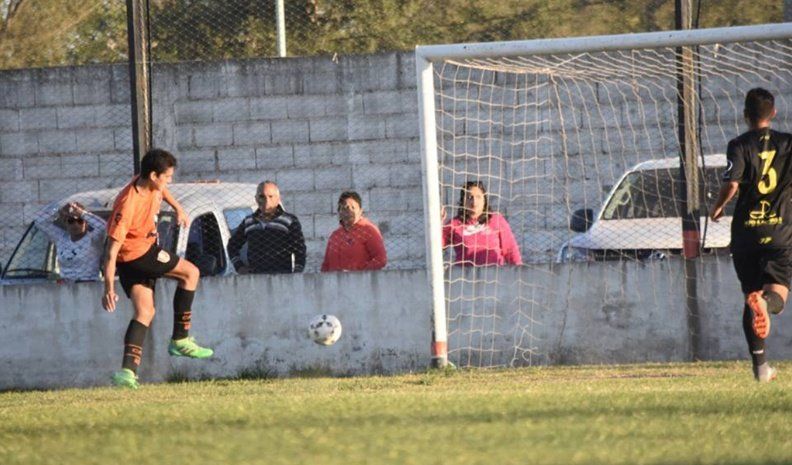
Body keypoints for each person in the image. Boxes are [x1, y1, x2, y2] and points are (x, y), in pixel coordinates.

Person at [102, 148, 213, 389]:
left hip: (132, 259)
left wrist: (178, 208)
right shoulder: (128, 205)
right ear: (154, 175)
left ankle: (127, 373)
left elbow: (163, 190)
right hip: (138, 255)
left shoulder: (147, 182)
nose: (169, 181)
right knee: (191, 273)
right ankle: (180, 339)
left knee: (145, 312)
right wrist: (108, 288)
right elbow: (110, 253)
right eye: (167, 176)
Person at [710, 87, 792, 382]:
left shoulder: (738, 145)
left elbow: (731, 185)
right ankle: (766, 306)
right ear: (774, 113)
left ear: (746, 115)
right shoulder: (787, 143)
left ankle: (761, 369)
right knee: (776, 295)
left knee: (750, 296)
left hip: (746, 234)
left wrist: (716, 208)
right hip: (780, 231)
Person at [227, 181, 306, 274]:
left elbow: (300, 249)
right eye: (262, 197)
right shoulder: (249, 222)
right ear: (256, 199)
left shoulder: (289, 221)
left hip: (281, 278)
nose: (266, 201)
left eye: (270, 196)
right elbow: (232, 245)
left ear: (278, 199)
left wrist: (296, 274)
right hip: (256, 279)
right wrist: (239, 267)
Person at [442, 180, 522, 266]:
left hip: (494, 276)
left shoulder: (496, 220)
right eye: (469, 197)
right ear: (463, 201)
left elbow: (511, 250)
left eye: (478, 197)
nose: (474, 201)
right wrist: (438, 222)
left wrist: (519, 274)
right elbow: (437, 245)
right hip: (465, 276)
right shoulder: (455, 224)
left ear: (484, 200)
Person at [34, 201, 106, 281]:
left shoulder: (92, 238)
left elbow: (104, 227)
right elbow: (39, 222)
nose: (76, 225)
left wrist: (82, 213)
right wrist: (58, 211)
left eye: (80, 221)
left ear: (86, 223)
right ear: (65, 222)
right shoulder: (60, 237)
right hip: (66, 285)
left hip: (89, 283)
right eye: (71, 221)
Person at [321, 191, 387, 272]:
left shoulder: (369, 230)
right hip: (335, 283)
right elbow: (326, 265)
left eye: (352, 207)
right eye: (344, 208)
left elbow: (381, 259)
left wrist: (358, 275)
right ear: (339, 213)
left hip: (360, 283)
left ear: (360, 211)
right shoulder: (335, 235)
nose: (348, 211)